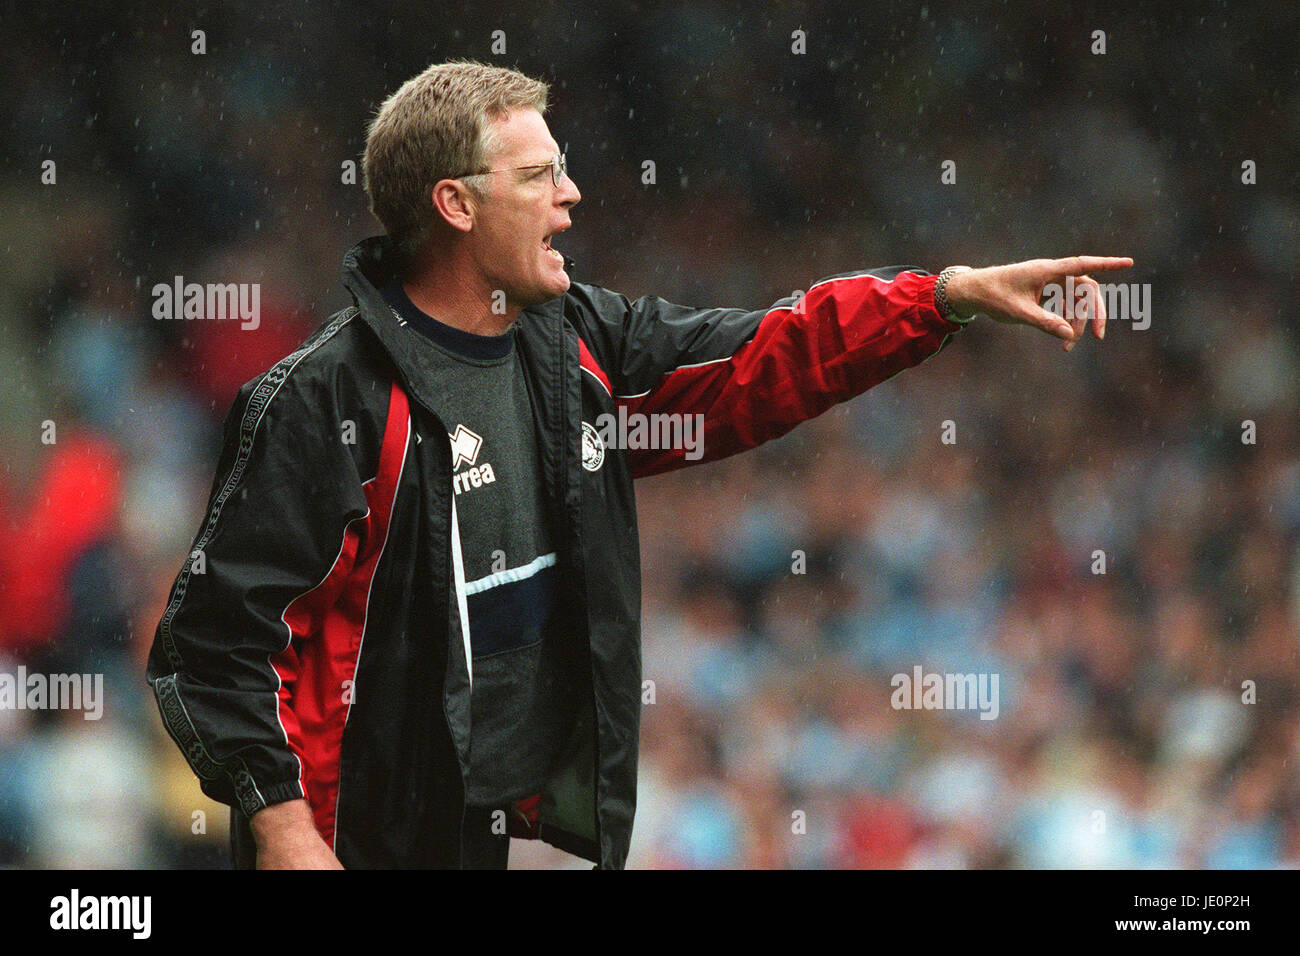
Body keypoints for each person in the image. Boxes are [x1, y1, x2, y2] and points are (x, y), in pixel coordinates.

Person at [146, 59, 1131, 870]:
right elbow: (209, 643)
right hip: (353, 838)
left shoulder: (573, 344)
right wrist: (284, 832)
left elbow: (762, 357)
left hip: (509, 828)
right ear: (453, 203)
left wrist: (944, 296)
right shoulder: (319, 401)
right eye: (537, 176)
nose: (571, 195)